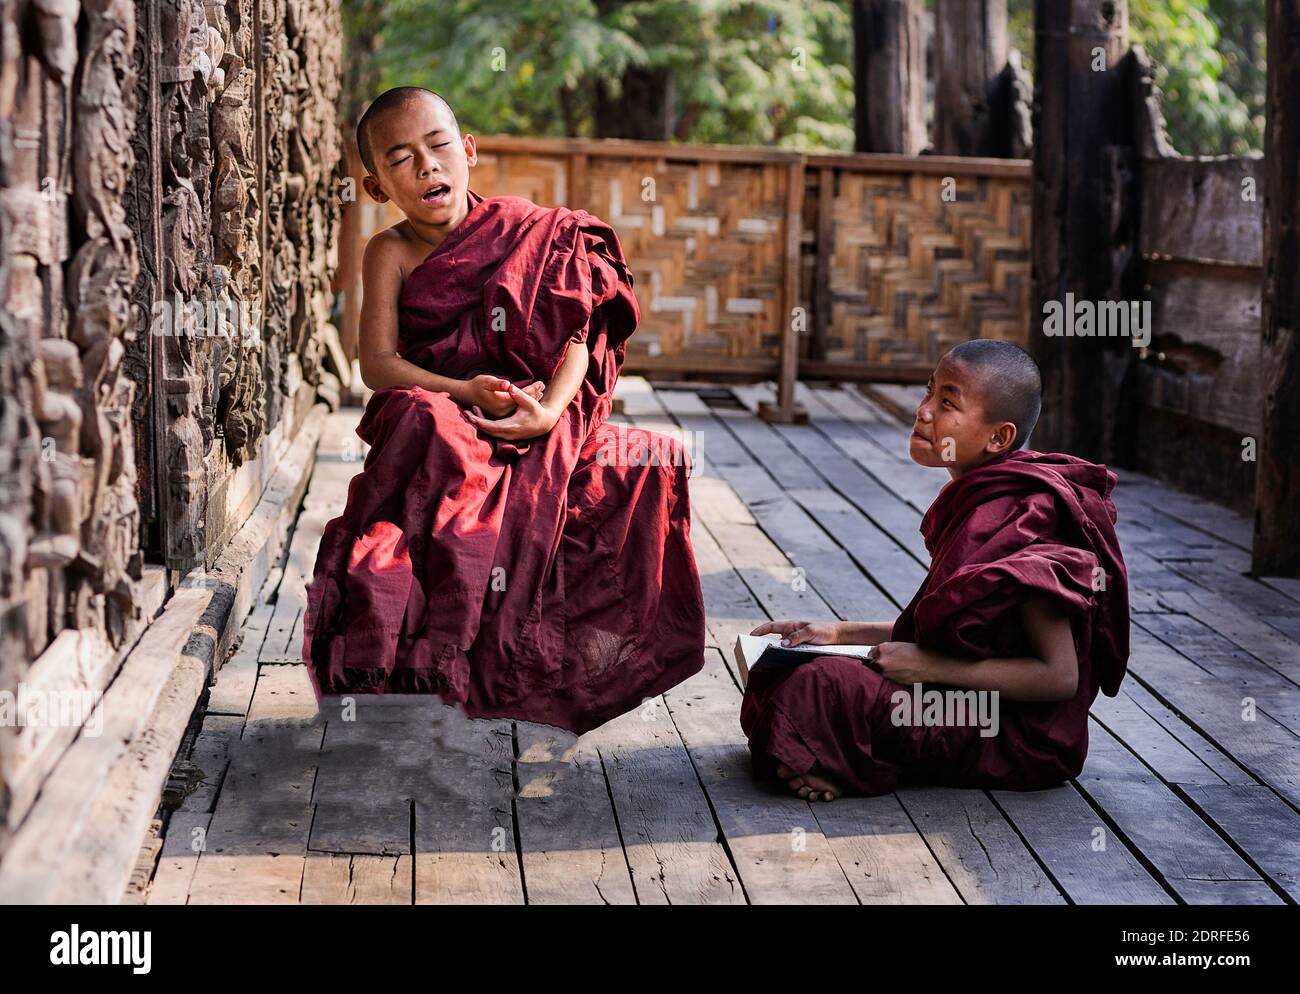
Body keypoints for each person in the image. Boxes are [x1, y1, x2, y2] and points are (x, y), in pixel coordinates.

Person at [302, 87, 706, 735]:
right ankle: (421, 664)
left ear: (468, 151)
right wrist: (461, 391)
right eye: (402, 160)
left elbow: (577, 332)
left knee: (652, 463)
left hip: (536, 404)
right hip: (449, 403)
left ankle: (562, 668)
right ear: (377, 187)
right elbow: (376, 365)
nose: (427, 167)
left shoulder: (535, 234)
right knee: (420, 418)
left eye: (437, 147)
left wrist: (548, 412)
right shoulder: (392, 251)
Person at [741, 339, 1130, 800]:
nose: (923, 411)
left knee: (819, 688)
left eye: (947, 403)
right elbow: (950, 631)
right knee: (780, 672)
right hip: (964, 702)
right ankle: (823, 758)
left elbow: (1059, 676)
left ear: (998, 438)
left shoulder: (1028, 514)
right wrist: (836, 634)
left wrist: (931, 667)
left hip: (1016, 734)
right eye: (929, 392)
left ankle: (839, 766)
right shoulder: (982, 497)